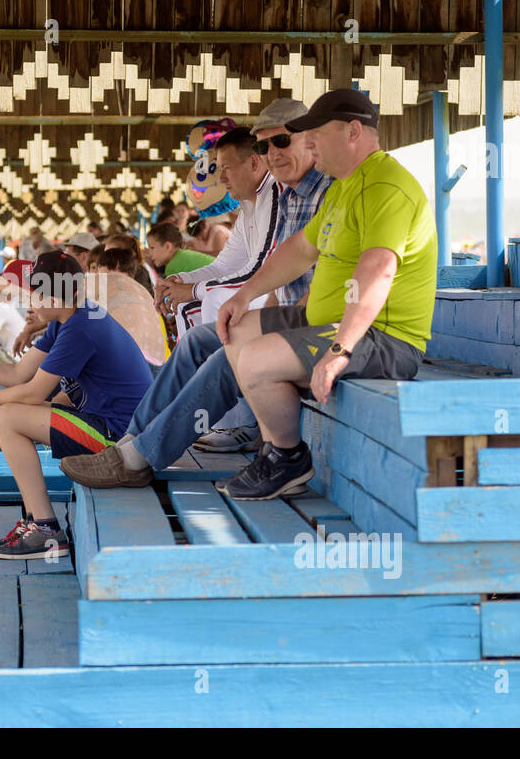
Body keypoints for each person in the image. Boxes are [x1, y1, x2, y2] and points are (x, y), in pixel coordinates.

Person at [60, 102, 334, 488]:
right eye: (267, 146)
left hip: (323, 325)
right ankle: (129, 442)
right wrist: (196, 285)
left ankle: (143, 457)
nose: (273, 155)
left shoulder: (308, 192)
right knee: (197, 341)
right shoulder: (287, 196)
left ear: (314, 140)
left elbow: (273, 271)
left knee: (225, 349)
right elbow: (260, 270)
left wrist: (201, 290)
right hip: (296, 317)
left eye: (282, 143)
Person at [215, 88, 435, 500]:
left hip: (381, 339)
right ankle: (270, 448)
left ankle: (288, 457)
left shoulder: (386, 185)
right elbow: (300, 250)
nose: (309, 142)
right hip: (329, 322)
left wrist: (341, 348)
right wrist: (245, 295)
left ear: (353, 131)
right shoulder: (343, 187)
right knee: (238, 328)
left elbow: (378, 270)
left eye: (315, 133)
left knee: (256, 359)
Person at [0, 251, 153, 560]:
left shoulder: (81, 326)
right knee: (8, 413)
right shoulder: (67, 319)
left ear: (68, 294)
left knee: (7, 418)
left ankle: (44, 528)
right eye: (34, 293)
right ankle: (39, 523)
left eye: (42, 295)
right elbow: (16, 373)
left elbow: (32, 393)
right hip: (112, 425)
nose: (33, 302)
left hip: (119, 438)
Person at [145, 222, 214, 278]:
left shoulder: (173, 267)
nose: (149, 253)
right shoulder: (184, 255)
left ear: (167, 247)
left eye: (152, 248)